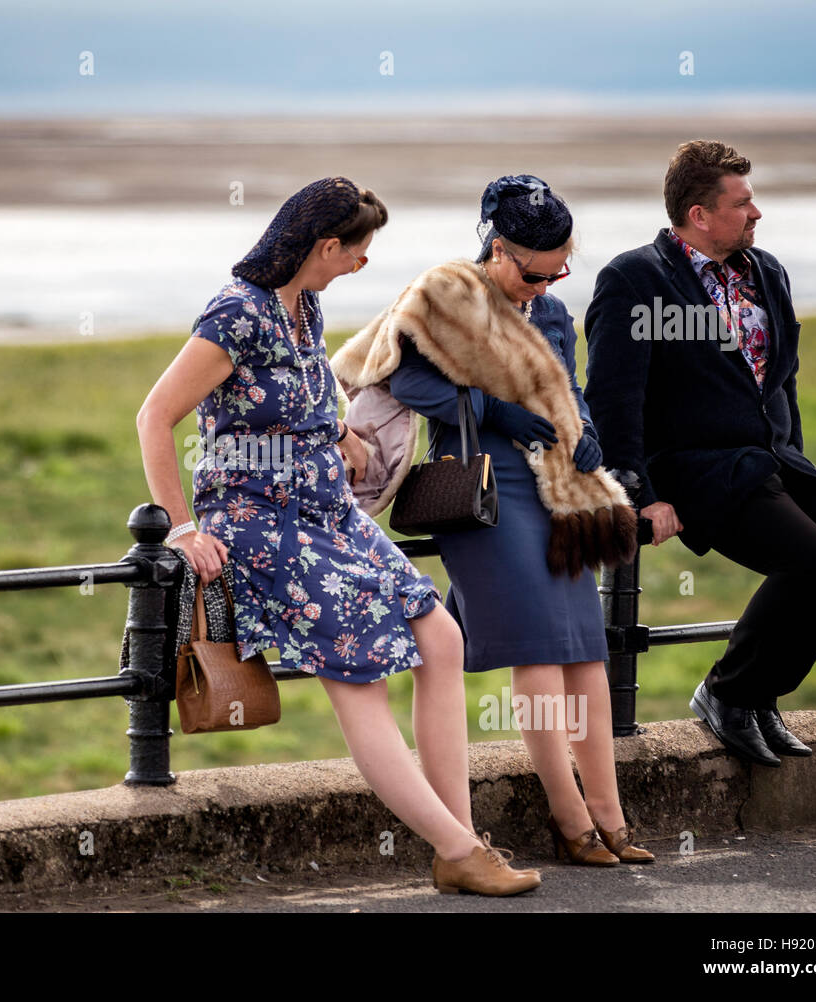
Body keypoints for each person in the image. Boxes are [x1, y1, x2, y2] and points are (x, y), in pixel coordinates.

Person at [136, 176, 540, 895]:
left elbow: (304, 391)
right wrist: (184, 529)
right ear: (326, 245)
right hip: (261, 523)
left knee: (440, 638)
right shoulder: (236, 315)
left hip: (330, 509)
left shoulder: (306, 306)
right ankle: (459, 850)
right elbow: (154, 417)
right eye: (357, 251)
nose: (363, 263)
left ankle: (458, 843)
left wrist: (339, 430)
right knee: (361, 677)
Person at [335, 175, 652, 866]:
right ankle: (571, 822)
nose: (543, 285)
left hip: (554, 487)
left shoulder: (555, 313)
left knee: (586, 651)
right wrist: (493, 410)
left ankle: (610, 815)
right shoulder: (446, 297)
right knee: (539, 649)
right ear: (498, 248)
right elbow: (402, 379)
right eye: (534, 272)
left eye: (557, 271)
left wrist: (586, 425)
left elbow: (568, 385)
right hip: (480, 487)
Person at [584, 140, 816, 768]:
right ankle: (726, 693)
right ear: (699, 214)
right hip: (698, 470)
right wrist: (640, 493)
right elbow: (615, 398)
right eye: (743, 202)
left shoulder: (765, 271)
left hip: (771, 460)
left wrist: (796, 459)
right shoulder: (636, 278)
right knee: (811, 561)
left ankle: (757, 694)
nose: (757, 213)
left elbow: (783, 380)